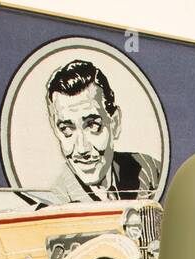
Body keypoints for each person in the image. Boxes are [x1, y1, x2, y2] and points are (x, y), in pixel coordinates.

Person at [45, 58, 161, 202]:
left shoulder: (149, 169)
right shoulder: (56, 202)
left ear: (115, 123)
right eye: (67, 129)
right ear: (56, 130)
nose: (82, 149)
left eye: (92, 125)